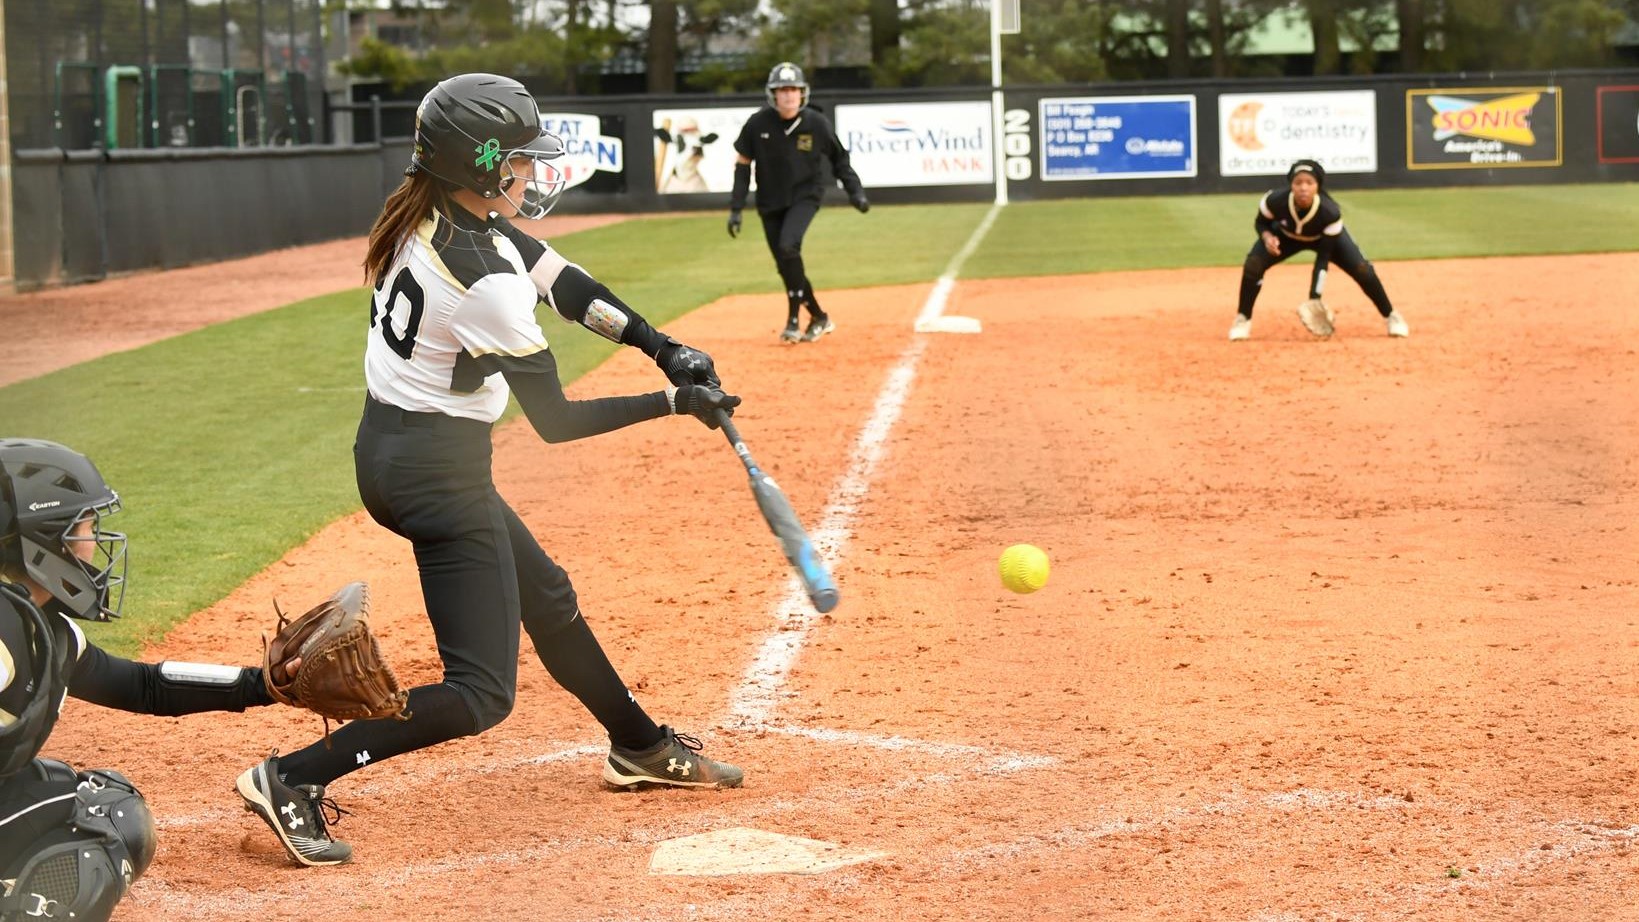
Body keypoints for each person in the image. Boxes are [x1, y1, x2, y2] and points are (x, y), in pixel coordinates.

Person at [235, 73, 745, 869]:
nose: (529, 173)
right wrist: (672, 401)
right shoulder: (486, 281)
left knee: (547, 596)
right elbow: (557, 422)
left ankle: (637, 744)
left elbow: (566, 284)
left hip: (403, 452)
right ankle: (291, 777)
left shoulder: (438, 217)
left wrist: (660, 342)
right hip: (433, 477)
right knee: (480, 696)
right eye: (515, 159)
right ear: (477, 167)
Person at [1, 437, 283, 921]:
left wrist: (268, 684)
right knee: (104, 820)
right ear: (42, 537)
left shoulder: (45, 629)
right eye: (85, 524)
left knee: (80, 793)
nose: (95, 540)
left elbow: (143, 686)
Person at [727, 61, 870, 344]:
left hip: (805, 196)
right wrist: (736, 209)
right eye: (783, 90)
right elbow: (742, 167)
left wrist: (856, 191)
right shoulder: (757, 124)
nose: (789, 95)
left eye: (794, 89)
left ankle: (793, 319)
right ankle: (819, 316)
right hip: (769, 201)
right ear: (773, 94)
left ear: (803, 93)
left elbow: (840, 159)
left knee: (788, 247)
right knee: (785, 263)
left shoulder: (816, 123)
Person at [1229, 159, 1409, 341]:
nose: (1303, 188)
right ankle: (1243, 318)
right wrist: (1267, 237)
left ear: (1318, 186)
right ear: (1291, 184)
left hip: (1324, 240)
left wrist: (1314, 298)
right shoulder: (1274, 200)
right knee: (1254, 264)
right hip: (1285, 237)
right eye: (1298, 182)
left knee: (1362, 269)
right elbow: (1261, 222)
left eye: (1309, 182)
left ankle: (1391, 315)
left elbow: (1323, 258)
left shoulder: (1330, 212)